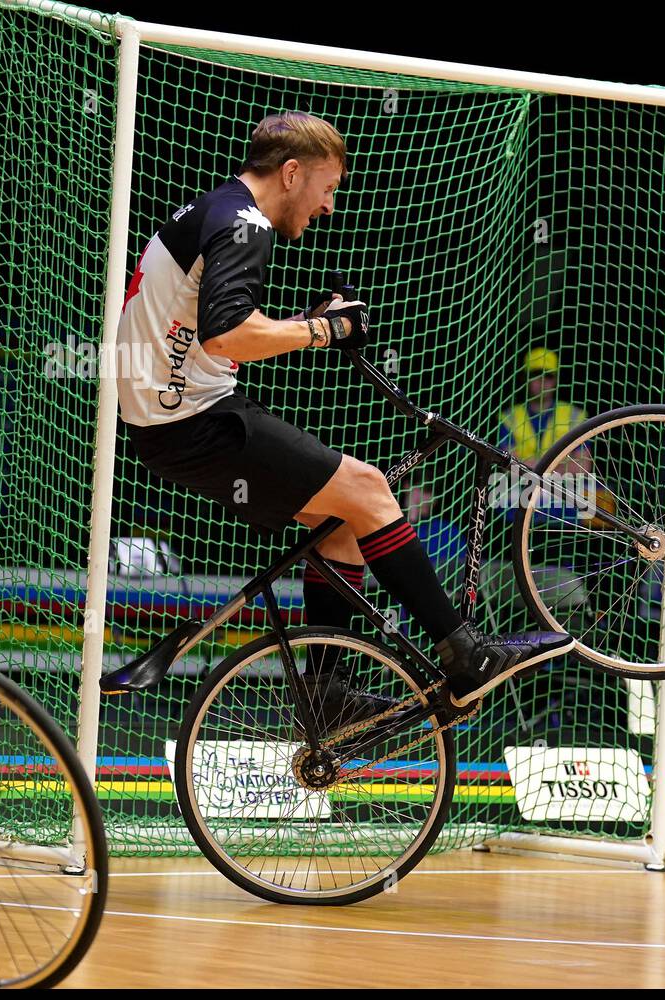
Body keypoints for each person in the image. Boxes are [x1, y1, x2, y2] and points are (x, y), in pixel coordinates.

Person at [115, 111, 573, 716]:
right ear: (292, 172)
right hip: (192, 420)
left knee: (350, 519)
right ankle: (466, 654)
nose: (329, 205)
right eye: (328, 188)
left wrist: (311, 324)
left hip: (173, 419)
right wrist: (324, 329)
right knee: (370, 488)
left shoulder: (218, 210)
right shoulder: (245, 223)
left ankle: (326, 695)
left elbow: (212, 329)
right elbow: (227, 335)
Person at [497, 347, 588, 469]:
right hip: (520, 485)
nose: (542, 380)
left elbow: (583, 465)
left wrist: (537, 469)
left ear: (556, 380)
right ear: (525, 378)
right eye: (536, 374)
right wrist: (556, 468)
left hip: (563, 485)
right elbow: (508, 465)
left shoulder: (575, 415)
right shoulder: (509, 417)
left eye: (548, 375)